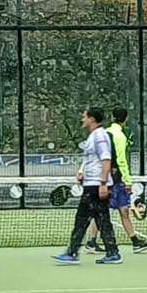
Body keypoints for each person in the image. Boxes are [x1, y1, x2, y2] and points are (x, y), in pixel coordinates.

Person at [53, 107, 120, 265]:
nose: (82, 119)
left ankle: (72, 252)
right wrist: (83, 173)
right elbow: (93, 160)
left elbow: (106, 160)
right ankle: (112, 252)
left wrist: (103, 184)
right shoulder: (93, 137)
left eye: (84, 117)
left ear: (92, 119)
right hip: (92, 184)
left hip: (97, 186)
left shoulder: (100, 136)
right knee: (101, 218)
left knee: (84, 218)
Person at [85, 107, 147, 254]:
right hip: (115, 179)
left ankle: (134, 242)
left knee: (109, 210)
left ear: (112, 116)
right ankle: (92, 242)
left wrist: (81, 171)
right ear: (126, 119)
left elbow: (92, 156)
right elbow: (121, 160)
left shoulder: (102, 134)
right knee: (119, 211)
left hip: (106, 178)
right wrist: (128, 180)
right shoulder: (119, 136)